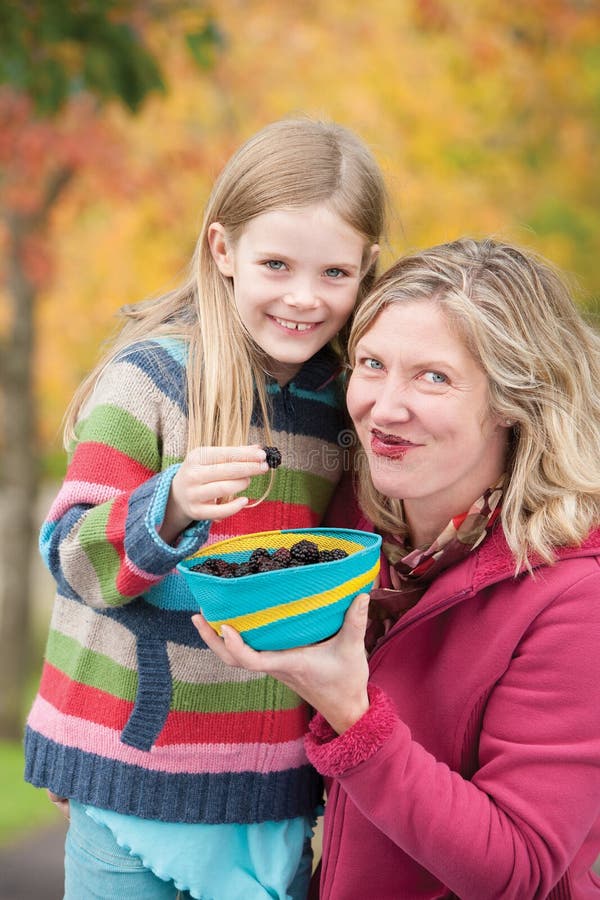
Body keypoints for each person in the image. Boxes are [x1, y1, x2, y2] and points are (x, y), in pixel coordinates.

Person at [24, 116, 387, 900]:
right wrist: (170, 505)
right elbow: (70, 556)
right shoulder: (151, 382)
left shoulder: (345, 410)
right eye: (277, 264)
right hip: (129, 778)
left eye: (333, 273)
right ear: (223, 251)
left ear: (367, 272)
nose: (302, 297)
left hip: (268, 796)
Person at [194, 237, 600, 899]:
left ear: (512, 400)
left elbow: (517, 870)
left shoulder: (576, 598)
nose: (384, 407)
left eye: (433, 377)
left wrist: (352, 715)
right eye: (372, 364)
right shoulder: (353, 525)